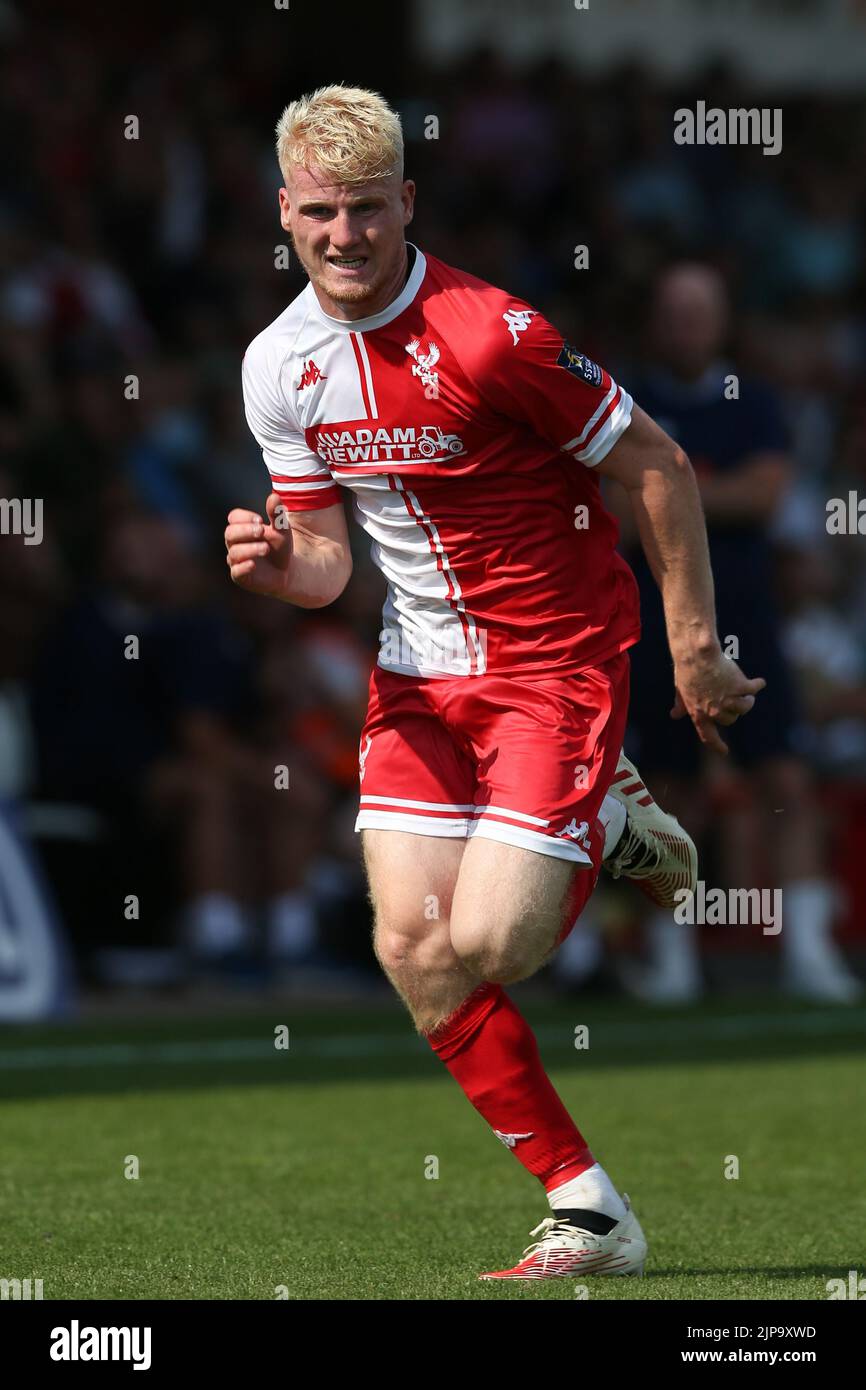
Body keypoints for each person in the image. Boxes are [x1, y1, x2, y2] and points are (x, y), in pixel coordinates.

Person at [224, 86, 763, 1280]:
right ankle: (587, 1207)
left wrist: (690, 653)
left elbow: (658, 465)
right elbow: (322, 566)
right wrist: (273, 566)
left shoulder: (494, 335)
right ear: (285, 212)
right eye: (320, 212)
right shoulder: (277, 364)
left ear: (407, 203)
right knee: (415, 949)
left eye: (368, 209)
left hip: (551, 662)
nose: (345, 235)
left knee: (495, 944)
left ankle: (608, 810)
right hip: (416, 673)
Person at [620, 265, 861, 1004]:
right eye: (674, 312)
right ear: (654, 320)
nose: (687, 326)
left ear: (723, 321)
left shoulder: (754, 401)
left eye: (700, 312)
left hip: (747, 617)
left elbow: (766, 493)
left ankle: (810, 955)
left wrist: (668, 486)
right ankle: (671, 959)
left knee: (783, 779)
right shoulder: (625, 402)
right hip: (657, 615)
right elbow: (617, 509)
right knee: (668, 792)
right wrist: (701, 494)